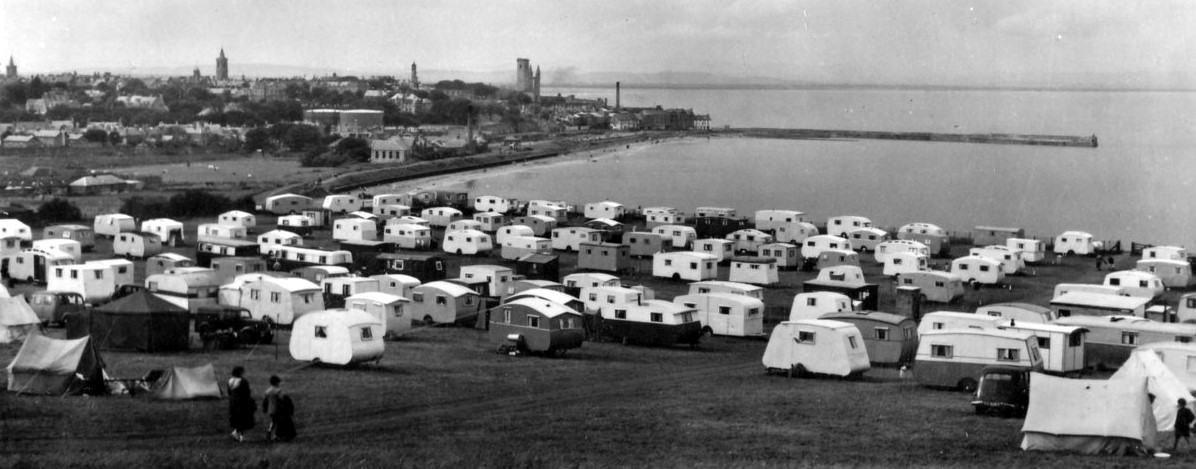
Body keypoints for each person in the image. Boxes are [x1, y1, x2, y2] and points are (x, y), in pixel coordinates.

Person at [261, 375, 297, 442]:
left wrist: (265, 409)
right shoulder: (278, 391)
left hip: (270, 410)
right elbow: (282, 400)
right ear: (276, 383)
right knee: (280, 423)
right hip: (277, 410)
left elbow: (265, 401)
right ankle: (275, 436)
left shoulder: (267, 391)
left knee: (274, 422)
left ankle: (272, 436)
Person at [227, 366, 255, 442]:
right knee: (243, 418)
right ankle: (240, 435)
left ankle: (237, 433)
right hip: (242, 401)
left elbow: (229, 392)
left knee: (236, 417)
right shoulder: (243, 381)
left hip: (233, 401)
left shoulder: (230, 381)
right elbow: (247, 392)